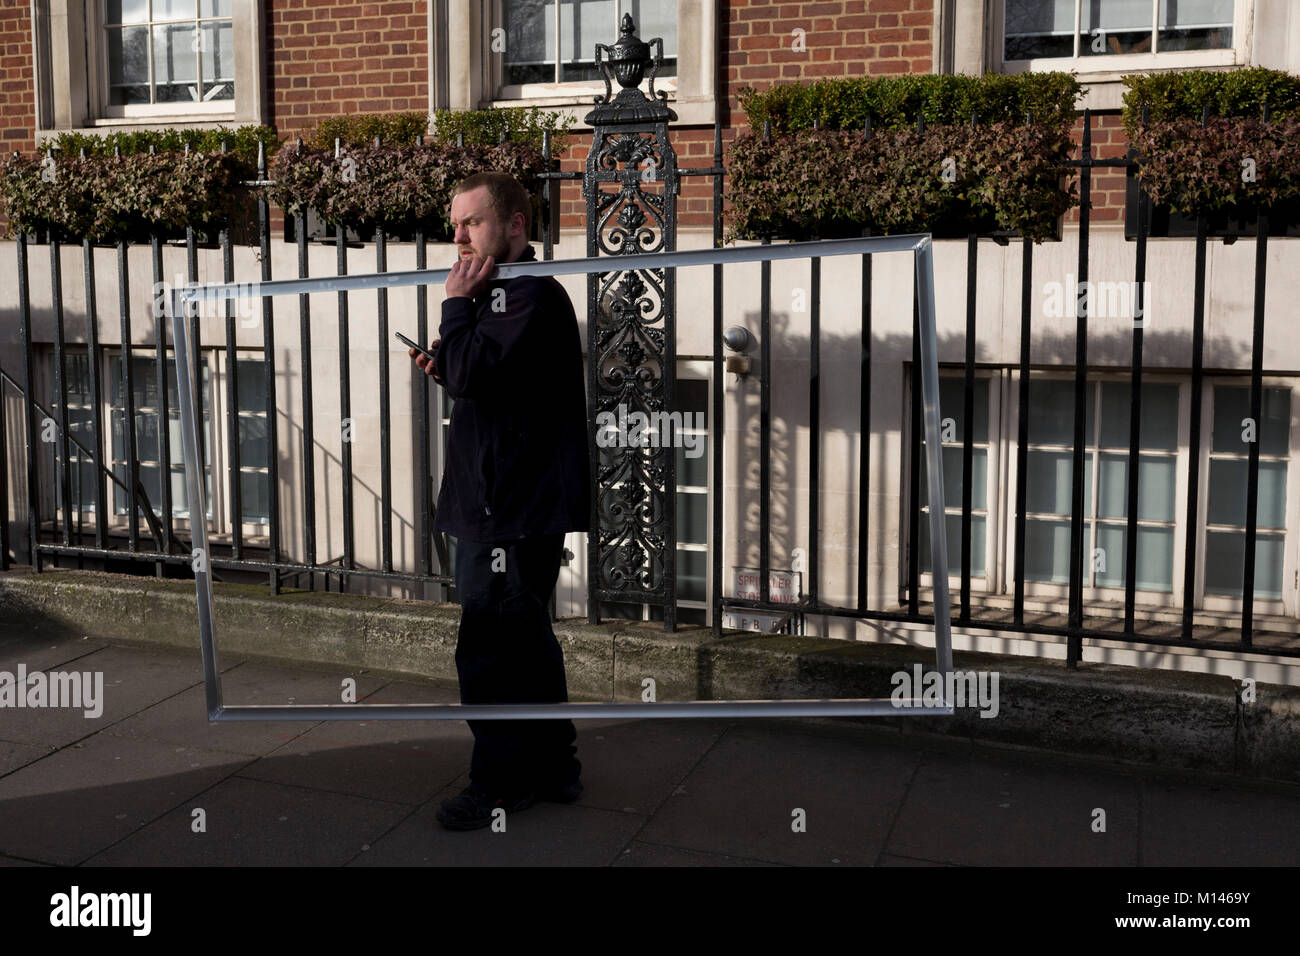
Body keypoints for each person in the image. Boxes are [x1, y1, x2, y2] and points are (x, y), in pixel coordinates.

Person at [409, 171, 590, 831]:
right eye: (455, 224)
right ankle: (555, 766)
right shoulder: (504, 294)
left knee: (490, 647)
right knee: (527, 637)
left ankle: (501, 783)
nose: (458, 238)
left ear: (514, 225)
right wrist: (452, 354)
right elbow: (482, 381)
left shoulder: (527, 294)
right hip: (506, 500)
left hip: (508, 510)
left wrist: (454, 309)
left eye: (472, 223)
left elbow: (472, 371)